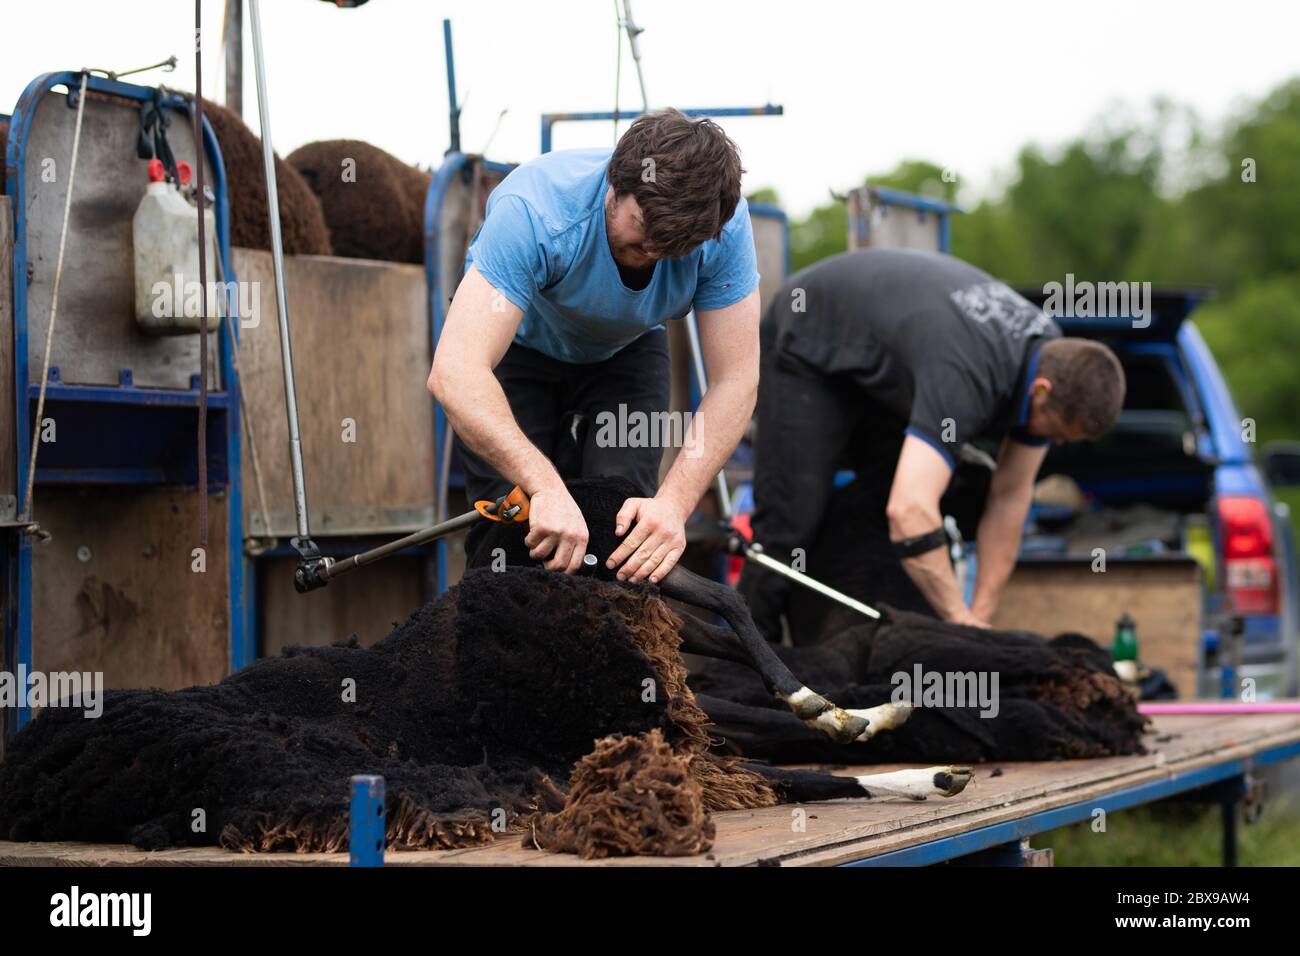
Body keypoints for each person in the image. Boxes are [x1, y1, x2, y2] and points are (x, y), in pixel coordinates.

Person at [428, 109, 760, 584]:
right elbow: (455, 372)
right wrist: (544, 486)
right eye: (641, 228)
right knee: (513, 538)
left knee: (622, 531)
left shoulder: (723, 226)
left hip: (628, 353)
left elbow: (736, 380)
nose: (652, 252)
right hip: (521, 353)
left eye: (673, 247)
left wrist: (674, 504)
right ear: (614, 184)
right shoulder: (533, 210)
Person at [738, 247, 1126, 638]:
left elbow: (1010, 496)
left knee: (903, 496)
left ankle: (860, 635)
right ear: (1040, 390)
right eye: (1057, 433)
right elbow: (909, 511)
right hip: (808, 338)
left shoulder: (1051, 357)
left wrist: (979, 620)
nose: (1054, 443)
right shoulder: (966, 378)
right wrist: (956, 616)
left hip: (891, 357)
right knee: (791, 518)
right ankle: (748, 655)